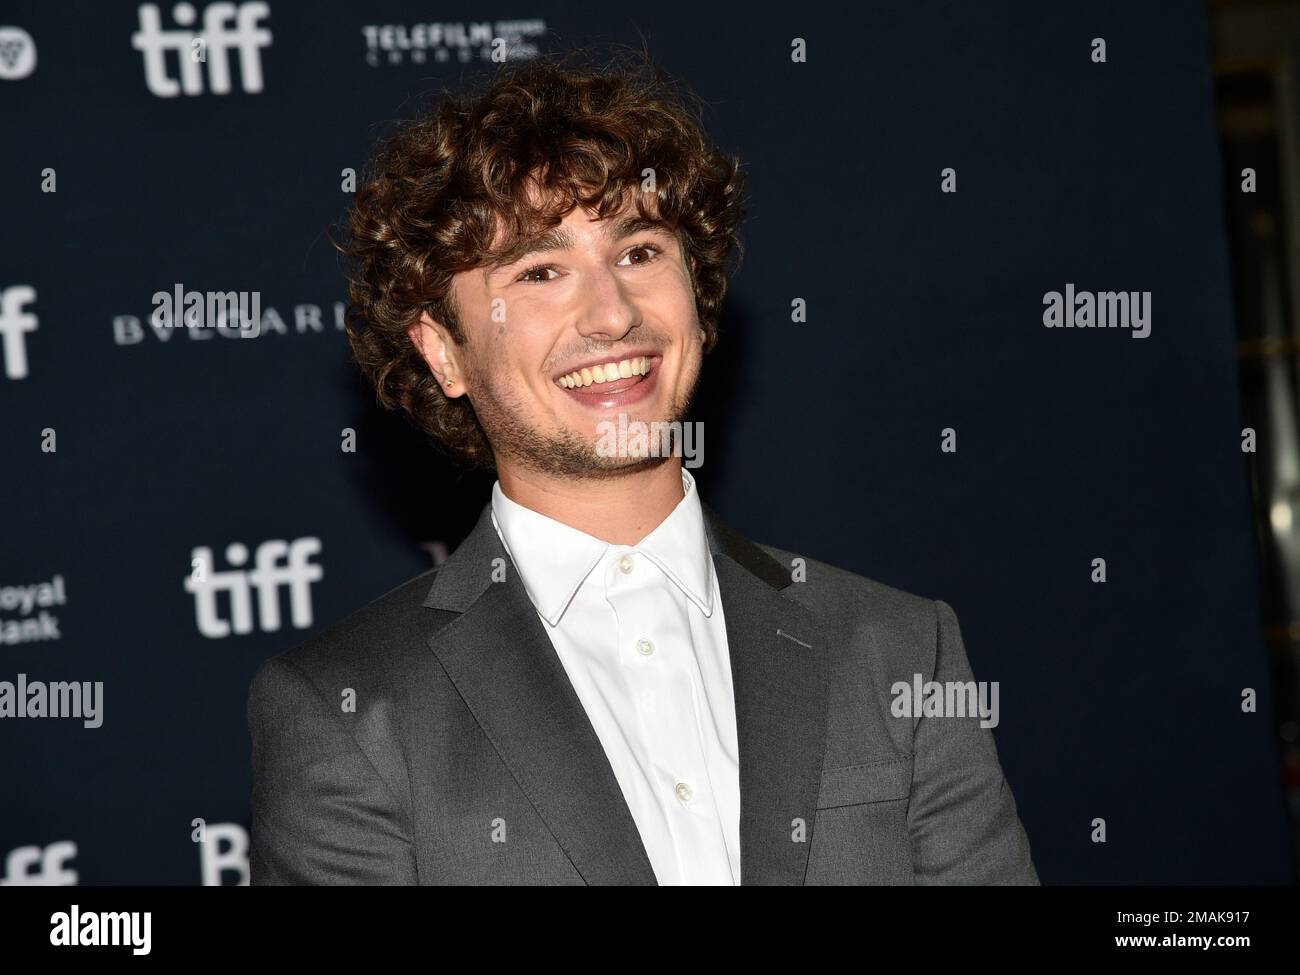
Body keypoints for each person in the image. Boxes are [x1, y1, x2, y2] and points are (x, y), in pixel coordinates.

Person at [246, 47, 1039, 885]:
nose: (612, 314)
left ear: (696, 290)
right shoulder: (348, 711)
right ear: (445, 350)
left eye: (639, 253)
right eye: (541, 270)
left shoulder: (899, 650)